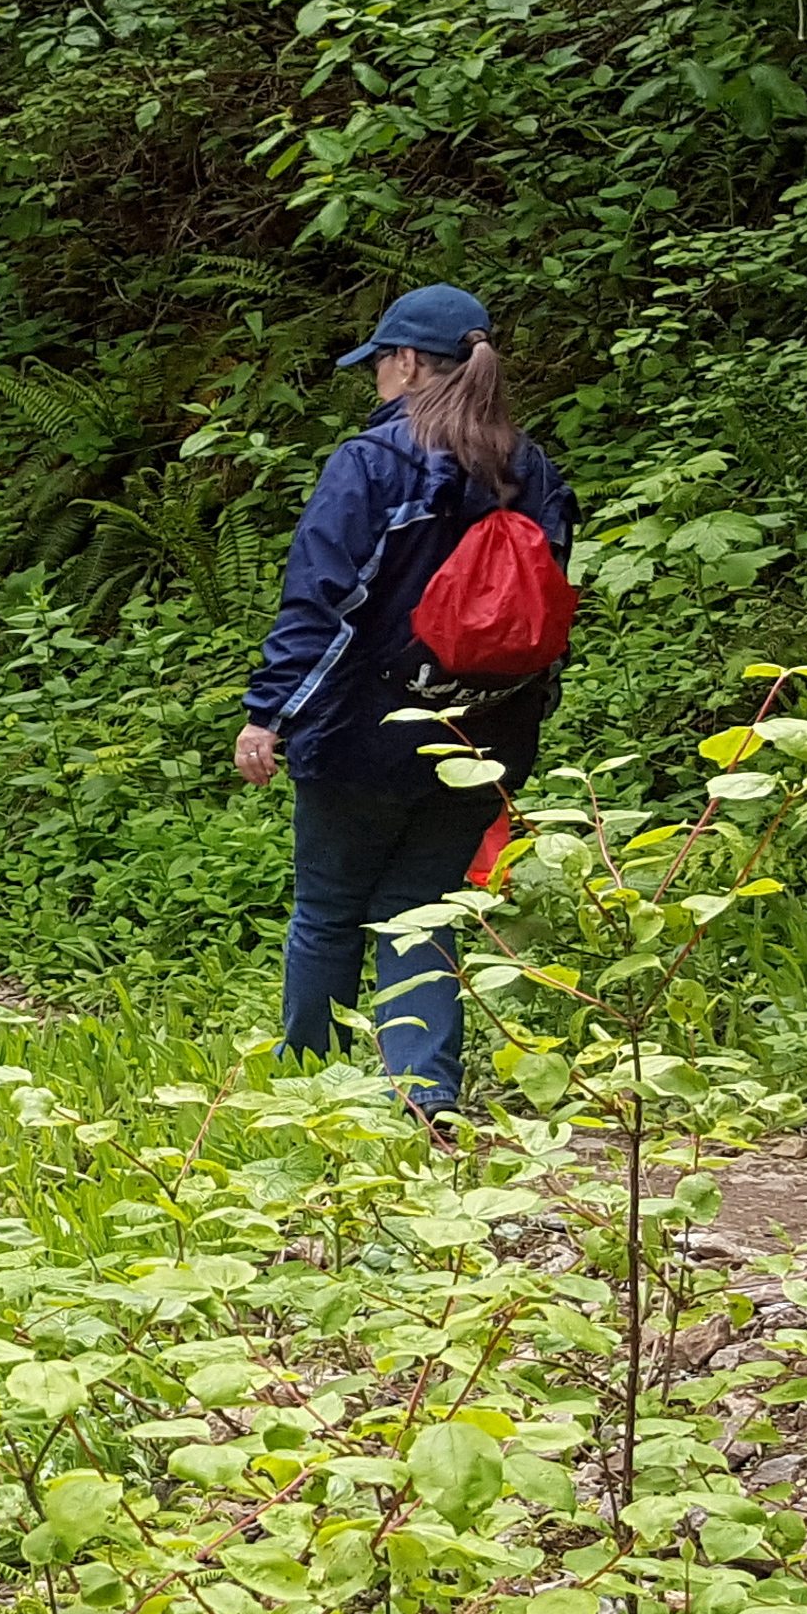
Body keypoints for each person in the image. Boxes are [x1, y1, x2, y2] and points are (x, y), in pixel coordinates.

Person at [234, 283, 573, 1116]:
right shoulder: (533, 471)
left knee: (327, 909)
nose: (374, 381)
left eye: (378, 364)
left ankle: (313, 1082)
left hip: (362, 731)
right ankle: (426, 1095)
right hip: (484, 731)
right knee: (422, 910)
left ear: (409, 363)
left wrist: (270, 713)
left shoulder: (371, 464)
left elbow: (322, 604)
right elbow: (551, 611)